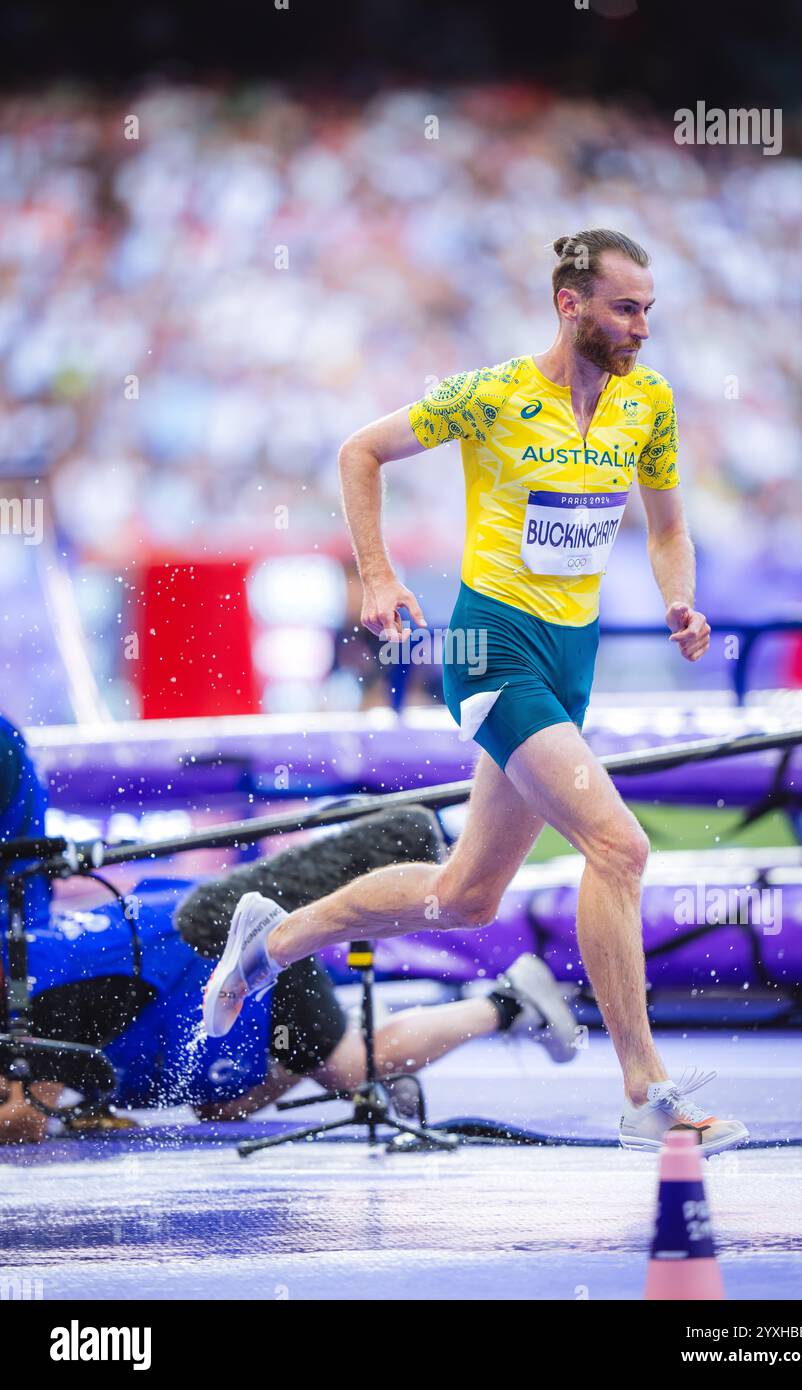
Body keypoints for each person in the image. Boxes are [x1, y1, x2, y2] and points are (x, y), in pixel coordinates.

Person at [203, 228, 748, 1156]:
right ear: (568, 304)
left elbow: (666, 531)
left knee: (466, 897)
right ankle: (646, 1090)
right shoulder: (492, 394)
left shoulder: (648, 403)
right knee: (617, 847)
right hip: (492, 648)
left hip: (570, 660)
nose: (642, 328)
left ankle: (271, 942)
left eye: (650, 309)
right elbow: (359, 451)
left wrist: (680, 596)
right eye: (625, 308)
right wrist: (375, 577)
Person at [0, 884, 583, 1145]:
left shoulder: (43, 998)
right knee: (222, 1107)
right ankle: (305, 1050)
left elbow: (25, 1117)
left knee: (353, 1067)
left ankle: (508, 1004)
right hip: (193, 944)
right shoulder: (28, 971)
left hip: (230, 943)